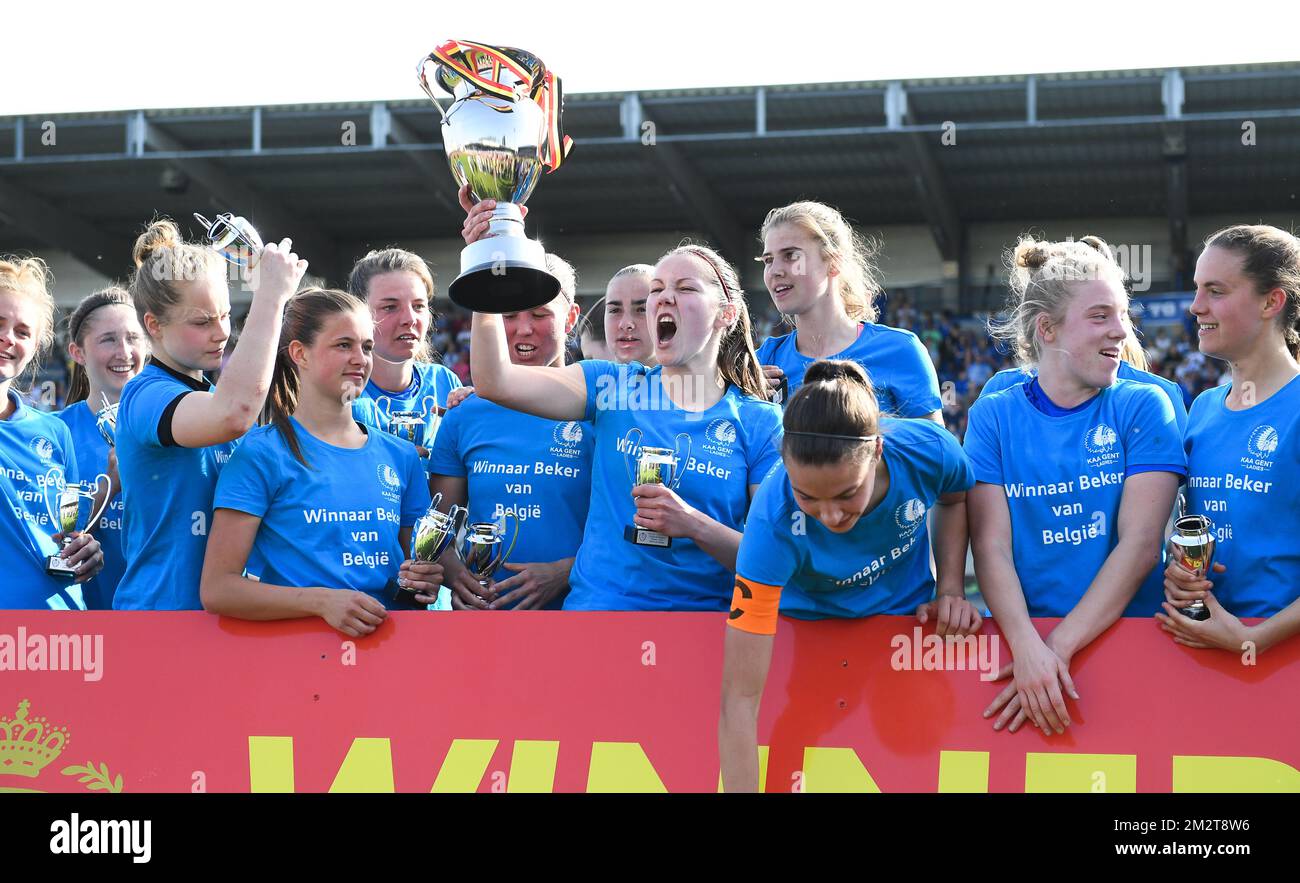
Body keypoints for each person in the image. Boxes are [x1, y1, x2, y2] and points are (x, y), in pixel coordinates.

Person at [468, 242, 783, 610]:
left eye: (684, 288)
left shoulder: (759, 421)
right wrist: (486, 258)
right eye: (657, 289)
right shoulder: (610, 386)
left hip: (701, 629)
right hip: (599, 620)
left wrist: (694, 524)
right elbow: (494, 381)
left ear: (725, 314)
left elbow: (772, 558)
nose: (665, 298)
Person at [719, 360, 979, 791]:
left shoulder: (927, 449)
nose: (831, 515)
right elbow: (740, 702)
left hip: (903, 627)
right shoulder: (770, 523)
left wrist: (950, 587)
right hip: (809, 632)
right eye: (808, 497)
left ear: (877, 450)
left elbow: (954, 498)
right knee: (799, 730)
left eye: (846, 493)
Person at [965, 235, 1185, 735]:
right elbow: (991, 546)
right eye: (1101, 316)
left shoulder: (1145, 404)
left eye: (1123, 314)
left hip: (1130, 645)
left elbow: (1141, 544)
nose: (1121, 331)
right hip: (1024, 651)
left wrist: (1055, 651)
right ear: (1047, 328)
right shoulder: (992, 414)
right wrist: (1026, 647)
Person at [201, 288, 437, 634]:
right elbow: (218, 589)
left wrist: (424, 580)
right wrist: (320, 603)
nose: (360, 358)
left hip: (392, 655)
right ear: (300, 353)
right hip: (299, 659)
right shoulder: (261, 453)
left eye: (367, 347)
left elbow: (414, 573)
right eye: (344, 345)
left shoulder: (401, 455)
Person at [113, 219, 307, 609]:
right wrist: (269, 297)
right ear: (154, 325)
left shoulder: (211, 394)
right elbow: (233, 414)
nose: (220, 333)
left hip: (225, 616)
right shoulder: (144, 394)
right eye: (202, 322)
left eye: (224, 316)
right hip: (161, 614)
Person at [1157, 224, 1300, 654]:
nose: (1196, 306)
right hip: (1201, 652)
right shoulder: (1201, 408)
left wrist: (1253, 639)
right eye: (1197, 289)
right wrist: (1178, 567)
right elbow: (1191, 530)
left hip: (1280, 664)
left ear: (1271, 301)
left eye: (1215, 291)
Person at [429, 255, 594, 610]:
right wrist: (457, 576)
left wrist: (566, 572)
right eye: (509, 315)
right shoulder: (464, 415)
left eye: (539, 314)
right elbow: (436, 524)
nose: (523, 329)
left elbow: (627, 527)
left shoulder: (603, 413)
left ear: (571, 317)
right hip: (488, 619)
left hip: (581, 615)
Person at [755, 201, 942, 420]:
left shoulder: (899, 349)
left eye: (791, 256)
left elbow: (937, 451)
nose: (775, 270)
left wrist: (862, 429)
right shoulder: (761, 362)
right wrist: (745, 404)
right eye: (768, 260)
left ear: (834, 263)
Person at [0, 256, 103, 608]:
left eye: (22, 332)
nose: (7, 338)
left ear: (36, 346)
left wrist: (85, 550)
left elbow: (69, 528)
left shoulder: (55, 432)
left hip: (56, 638)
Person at [54, 287, 147, 609]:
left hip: (166, 619)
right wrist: (108, 489)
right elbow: (53, 544)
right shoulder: (54, 433)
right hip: (86, 625)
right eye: (108, 339)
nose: (124, 351)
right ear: (77, 352)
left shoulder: (178, 429)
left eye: (134, 338)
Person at [347, 249, 461, 459]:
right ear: (358, 314)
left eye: (419, 306)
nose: (410, 319)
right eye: (390, 307)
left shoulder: (444, 383)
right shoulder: (342, 392)